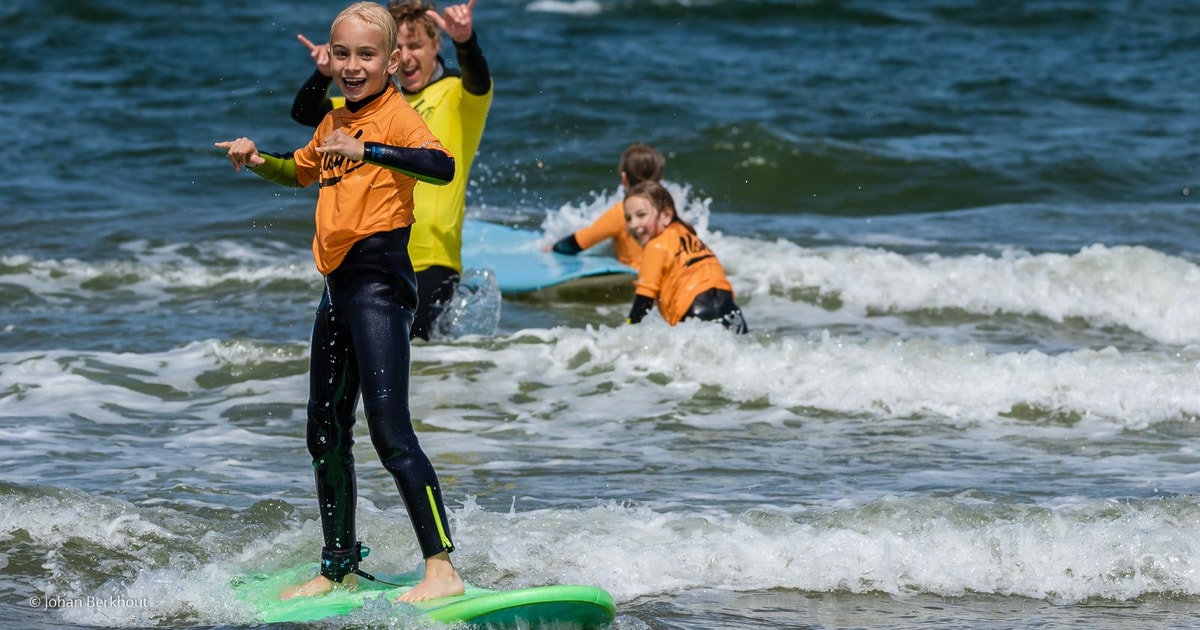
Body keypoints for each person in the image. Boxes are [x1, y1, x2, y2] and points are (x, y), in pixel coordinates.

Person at [214, 1, 464, 603]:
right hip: (337, 289)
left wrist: (368, 152)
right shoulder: (332, 122)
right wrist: (256, 161)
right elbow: (298, 171)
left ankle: (442, 568)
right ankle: (338, 567)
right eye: (344, 54)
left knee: (390, 431)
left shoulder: (396, 115)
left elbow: (441, 165)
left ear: (391, 61)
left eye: (367, 55)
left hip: (380, 285)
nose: (353, 66)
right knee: (324, 430)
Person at [292, 0, 493, 341]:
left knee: (419, 354)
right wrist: (324, 72)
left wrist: (465, 41)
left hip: (432, 261)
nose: (408, 57)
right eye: (401, 47)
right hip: (371, 259)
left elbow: (478, 80)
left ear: (435, 45)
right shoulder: (370, 104)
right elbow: (306, 113)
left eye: (416, 45)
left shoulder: (457, 95)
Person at [623, 181, 748, 334]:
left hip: (695, 314)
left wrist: (627, 331)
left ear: (666, 215)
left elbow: (643, 301)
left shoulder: (655, 245)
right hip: (731, 310)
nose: (633, 224)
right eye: (628, 218)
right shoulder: (688, 234)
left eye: (641, 215)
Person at [549, 142, 665, 270]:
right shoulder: (666, 208)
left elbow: (580, 241)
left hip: (639, 275)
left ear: (624, 178)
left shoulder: (623, 212)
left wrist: (554, 248)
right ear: (660, 178)